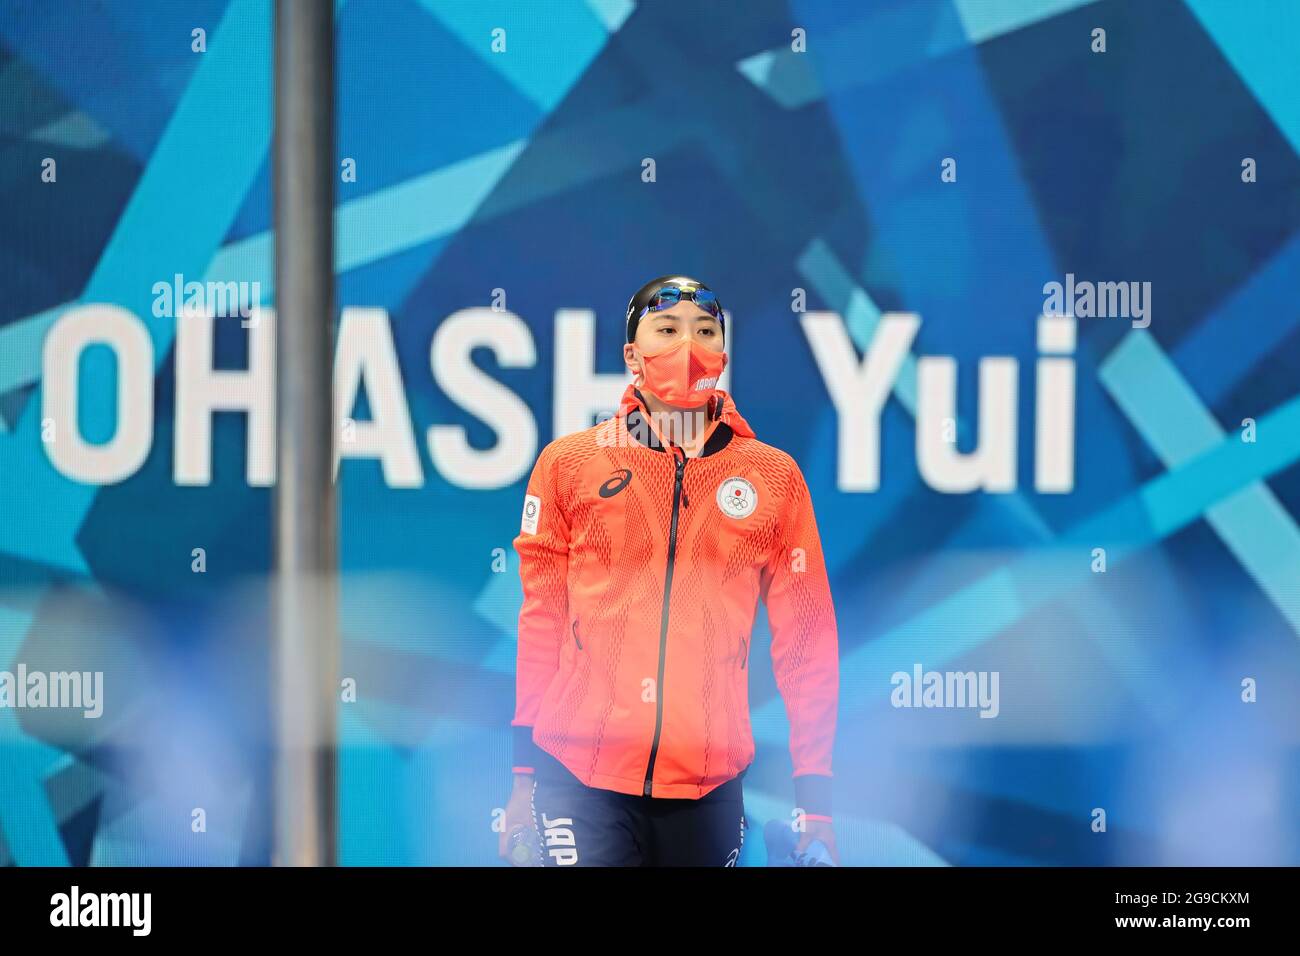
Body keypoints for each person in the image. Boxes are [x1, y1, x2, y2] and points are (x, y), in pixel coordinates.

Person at [498, 275, 840, 866]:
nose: (688, 346)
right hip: (578, 776)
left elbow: (806, 644)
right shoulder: (569, 464)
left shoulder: (773, 478)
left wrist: (816, 801)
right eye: (667, 329)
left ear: (723, 357)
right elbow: (541, 623)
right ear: (632, 354)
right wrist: (522, 775)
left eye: (706, 331)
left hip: (708, 785)